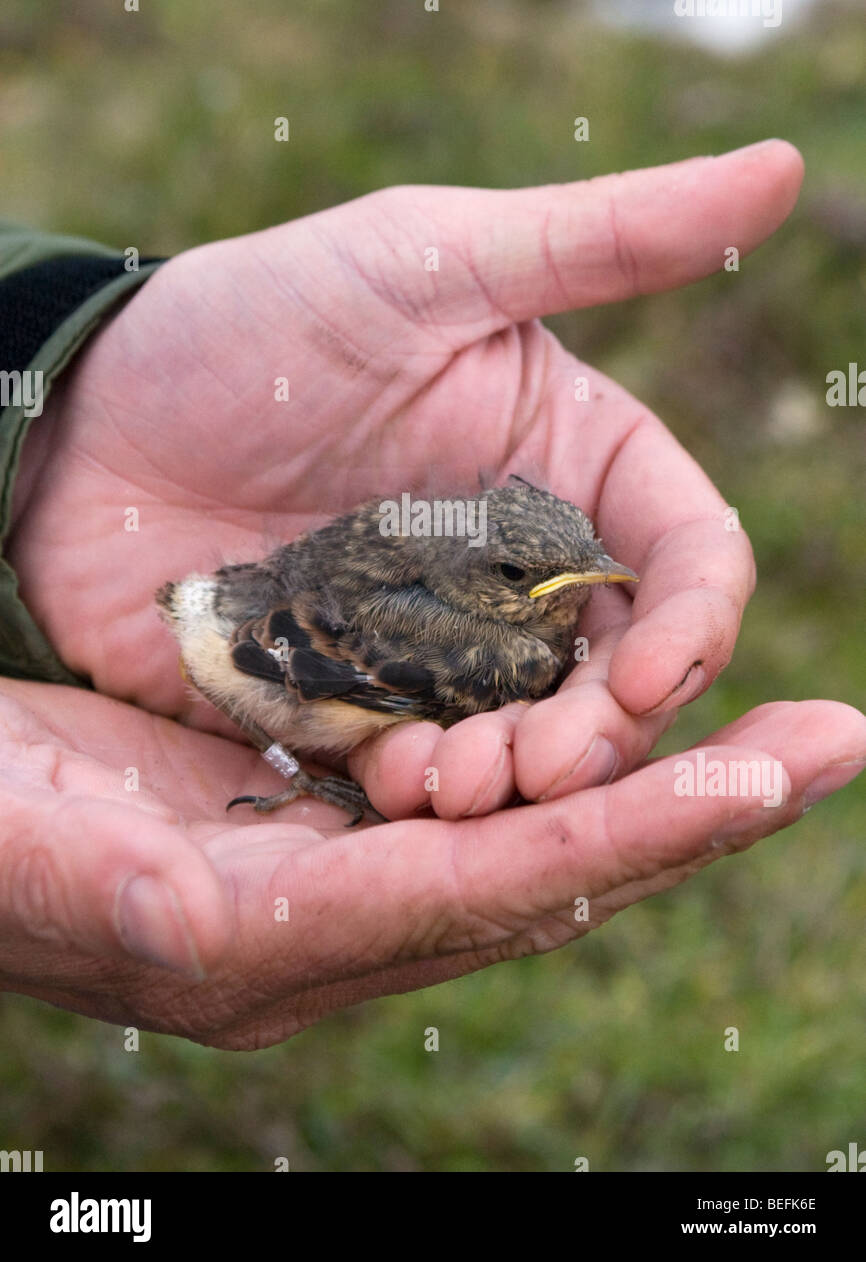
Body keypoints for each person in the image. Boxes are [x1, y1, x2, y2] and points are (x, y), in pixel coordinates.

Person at [0, 142, 863, 1050]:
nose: (592, 580)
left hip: (262, 597)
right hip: (249, 645)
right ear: (486, 581)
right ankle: (304, 779)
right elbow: (272, 663)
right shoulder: (504, 655)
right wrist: (304, 775)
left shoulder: (464, 564)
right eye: (526, 578)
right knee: (347, 745)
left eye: (592, 561)